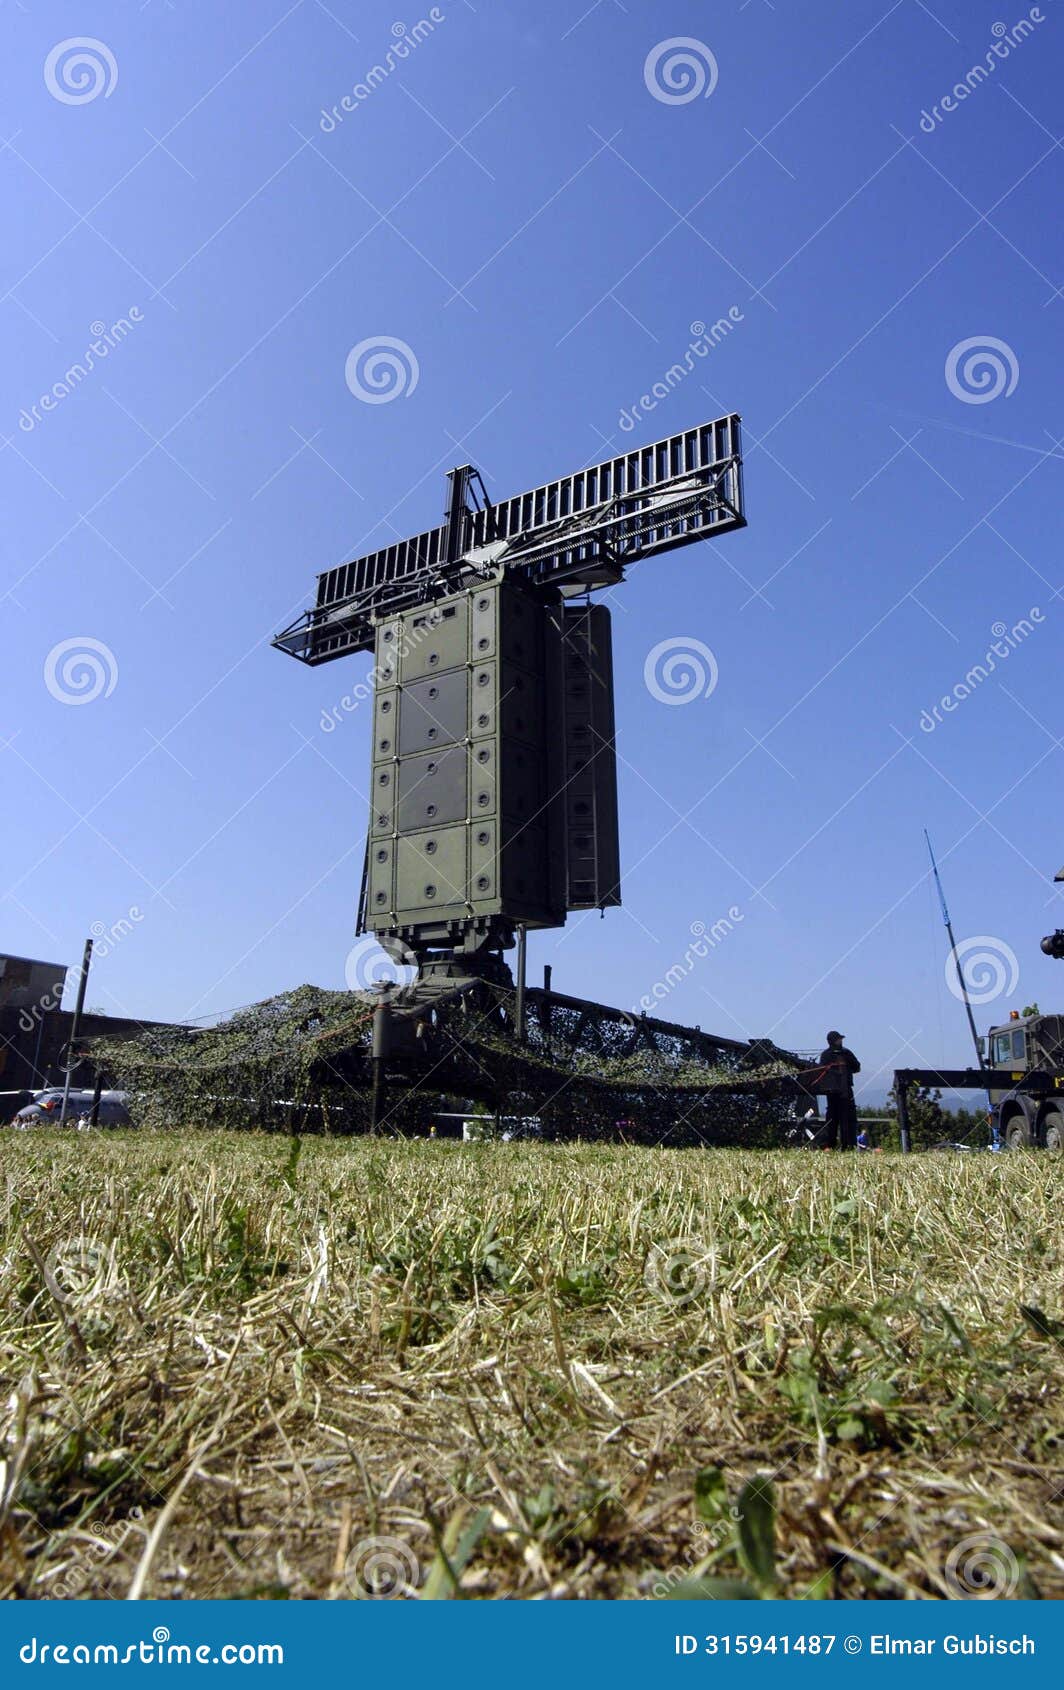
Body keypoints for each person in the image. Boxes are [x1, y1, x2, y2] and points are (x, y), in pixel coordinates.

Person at [819, 1030, 860, 1149]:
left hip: (845, 1089)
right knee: (833, 1119)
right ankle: (831, 1144)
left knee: (847, 1118)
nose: (841, 1041)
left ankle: (848, 1144)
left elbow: (857, 1066)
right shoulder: (827, 1055)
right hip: (833, 1091)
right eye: (838, 1039)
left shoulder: (845, 1053)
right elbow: (823, 1072)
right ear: (833, 1041)